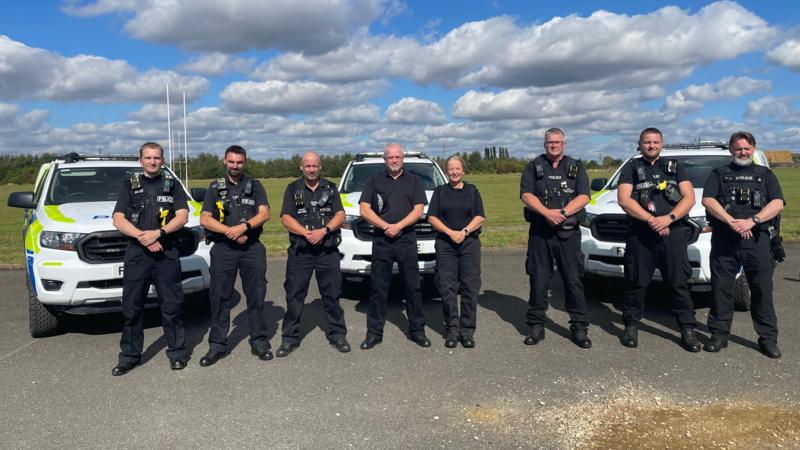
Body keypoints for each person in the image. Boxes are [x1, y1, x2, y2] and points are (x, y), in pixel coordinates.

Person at [702, 131, 785, 358]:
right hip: (725, 240)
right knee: (721, 289)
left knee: (761, 291)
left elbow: (777, 203)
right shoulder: (719, 174)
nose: (743, 152)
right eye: (738, 148)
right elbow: (708, 200)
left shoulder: (765, 174)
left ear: (754, 149)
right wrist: (731, 221)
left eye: (747, 148)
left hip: (757, 240)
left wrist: (752, 221)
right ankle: (719, 335)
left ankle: (768, 339)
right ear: (731, 150)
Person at [617, 127, 700, 352]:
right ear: (640, 144)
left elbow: (689, 198)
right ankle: (631, 326)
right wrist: (652, 220)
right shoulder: (631, 167)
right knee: (636, 282)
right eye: (647, 142)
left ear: (661, 144)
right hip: (641, 235)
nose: (651, 145)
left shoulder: (674, 167)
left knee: (678, 283)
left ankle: (687, 329)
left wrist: (668, 219)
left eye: (655, 142)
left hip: (673, 234)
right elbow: (624, 199)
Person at [111, 142, 189, 376]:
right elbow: (118, 218)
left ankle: (177, 353)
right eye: (148, 158)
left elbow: (182, 216)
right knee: (132, 307)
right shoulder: (129, 185)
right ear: (141, 160)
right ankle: (129, 356)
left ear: (162, 160)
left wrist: (159, 233)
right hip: (138, 254)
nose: (152, 162)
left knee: (172, 306)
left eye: (156, 158)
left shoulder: (173, 185)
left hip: (166, 253)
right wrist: (143, 237)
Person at [197, 145, 272, 366]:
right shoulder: (214, 187)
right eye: (231, 162)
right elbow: (205, 218)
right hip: (224, 249)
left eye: (239, 162)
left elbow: (264, 213)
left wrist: (244, 227)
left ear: (244, 162)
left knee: (256, 296)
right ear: (225, 161)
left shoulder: (255, 186)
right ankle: (217, 346)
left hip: (251, 248)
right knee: (219, 298)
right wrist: (230, 231)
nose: (235, 166)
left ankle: (259, 342)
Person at [520, 128, 592, 349]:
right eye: (550, 142)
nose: (553, 145)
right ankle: (536, 326)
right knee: (539, 280)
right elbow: (526, 195)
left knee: (573, 280)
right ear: (545, 144)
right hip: (540, 233)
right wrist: (546, 213)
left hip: (568, 234)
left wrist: (561, 213)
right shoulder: (533, 167)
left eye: (557, 142)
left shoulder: (576, 167)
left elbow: (584, 196)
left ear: (564, 143)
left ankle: (579, 328)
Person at [277, 151, 350, 356]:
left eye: (315, 166)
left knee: (332, 295)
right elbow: (286, 217)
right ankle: (289, 338)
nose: (311, 169)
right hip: (301, 251)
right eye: (308, 166)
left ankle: (338, 335)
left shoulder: (331, 188)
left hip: (327, 250)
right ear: (301, 167)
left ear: (320, 167)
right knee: (294, 295)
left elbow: (340, 214)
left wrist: (324, 231)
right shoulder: (293, 188)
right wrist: (306, 233)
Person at [358, 143, 430, 350]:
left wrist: (398, 226)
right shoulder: (374, 181)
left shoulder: (414, 181)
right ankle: (374, 333)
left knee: (413, 287)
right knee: (378, 288)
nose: (394, 160)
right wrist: (385, 226)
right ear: (385, 159)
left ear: (403, 159)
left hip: (406, 239)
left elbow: (418, 210)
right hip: (382, 240)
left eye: (397, 157)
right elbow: (364, 209)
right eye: (390, 157)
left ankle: (417, 331)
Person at [428, 155, 485, 348]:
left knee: (470, 286)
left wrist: (465, 232)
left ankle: (467, 331)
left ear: (463, 170)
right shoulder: (440, 192)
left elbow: (480, 216)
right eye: (451, 169)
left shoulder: (472, 191)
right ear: (447, 171)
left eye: (457, 168)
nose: (454, 172)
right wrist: (451, 233)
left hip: (469, 244)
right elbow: (432, 217)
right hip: (446, 245)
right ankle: (452, 330)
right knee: (447, 288)